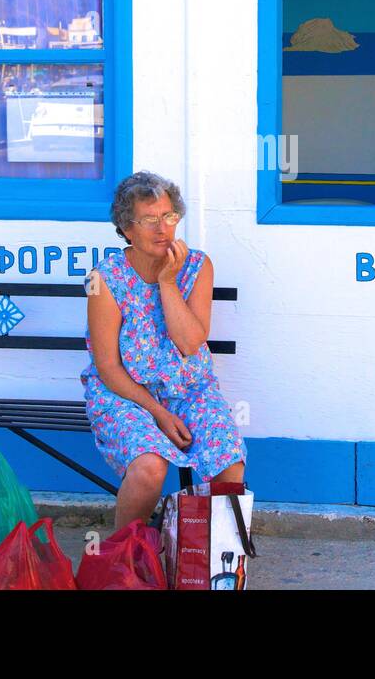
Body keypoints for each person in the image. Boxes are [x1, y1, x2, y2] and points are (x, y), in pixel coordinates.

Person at [81, 170, 247, 531]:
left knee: (228, 464)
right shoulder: (104, 279)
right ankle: (123, 560)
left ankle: (210, 559)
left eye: (169, 217)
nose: (163, 229)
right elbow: (108, 367)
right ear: (126, 228)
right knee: (149, 468)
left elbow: (189, 343)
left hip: (190, 391)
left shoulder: (197, 266)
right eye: (149, 220)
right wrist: (157, 412)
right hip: (126, 396)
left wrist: (167, 282)